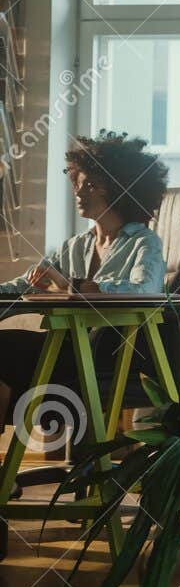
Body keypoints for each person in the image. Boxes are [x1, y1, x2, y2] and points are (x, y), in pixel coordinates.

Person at [0, 132, 169, 431]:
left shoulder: (144, 243)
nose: (79, 192)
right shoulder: (75, 246)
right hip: (67, 344)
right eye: (77, 182)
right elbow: (24, 286)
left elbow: (143, 290)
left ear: (120, 190)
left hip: (112, 352)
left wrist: (70, 287)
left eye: (91, 185)